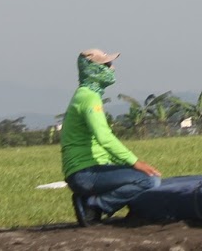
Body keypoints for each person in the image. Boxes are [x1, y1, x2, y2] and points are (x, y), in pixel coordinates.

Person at [61, 48, 162, 226]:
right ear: (91, 69)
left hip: (87, 171)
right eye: (106, 65)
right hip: (85, 173)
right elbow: (104, 137)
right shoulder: (89, 99)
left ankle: (93, 202)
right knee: (149, 180)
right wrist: (136, 163)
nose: (112, 68)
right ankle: (93, 206)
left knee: (137, 176)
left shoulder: (84, 95)